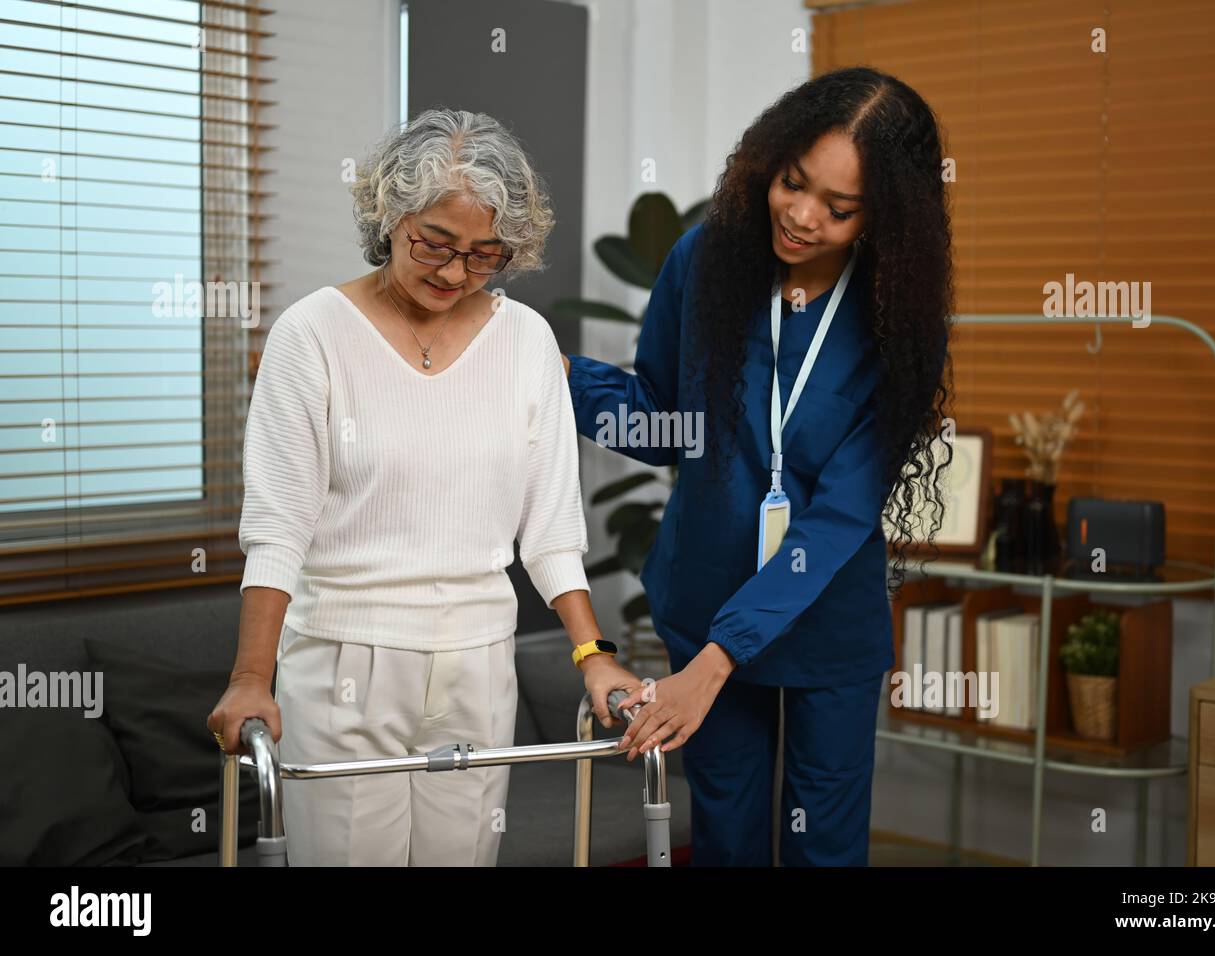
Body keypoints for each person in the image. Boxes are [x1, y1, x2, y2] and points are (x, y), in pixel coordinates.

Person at [208, 108, 643, 866]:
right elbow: (278, 526)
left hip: (479, 656)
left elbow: (552, 529)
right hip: (346, 656)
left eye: (482, 255)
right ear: (389, 215)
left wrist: (594, 654)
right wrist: (251, 678)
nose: (452, 273)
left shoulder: (527, 342)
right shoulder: (312, 336)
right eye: (433, 244)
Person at [563, 67, 954, 866]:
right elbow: (669, 423)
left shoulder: (898, 316)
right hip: (704, 597)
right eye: (792, 183)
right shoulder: (706, 257)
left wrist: (719, 660)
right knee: (726, 839)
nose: (803, 217)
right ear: (770, 161)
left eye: (839, 209)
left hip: (823, 625)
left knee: (824, 850)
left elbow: (842, 511)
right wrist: (545, 370)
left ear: (885, 218)